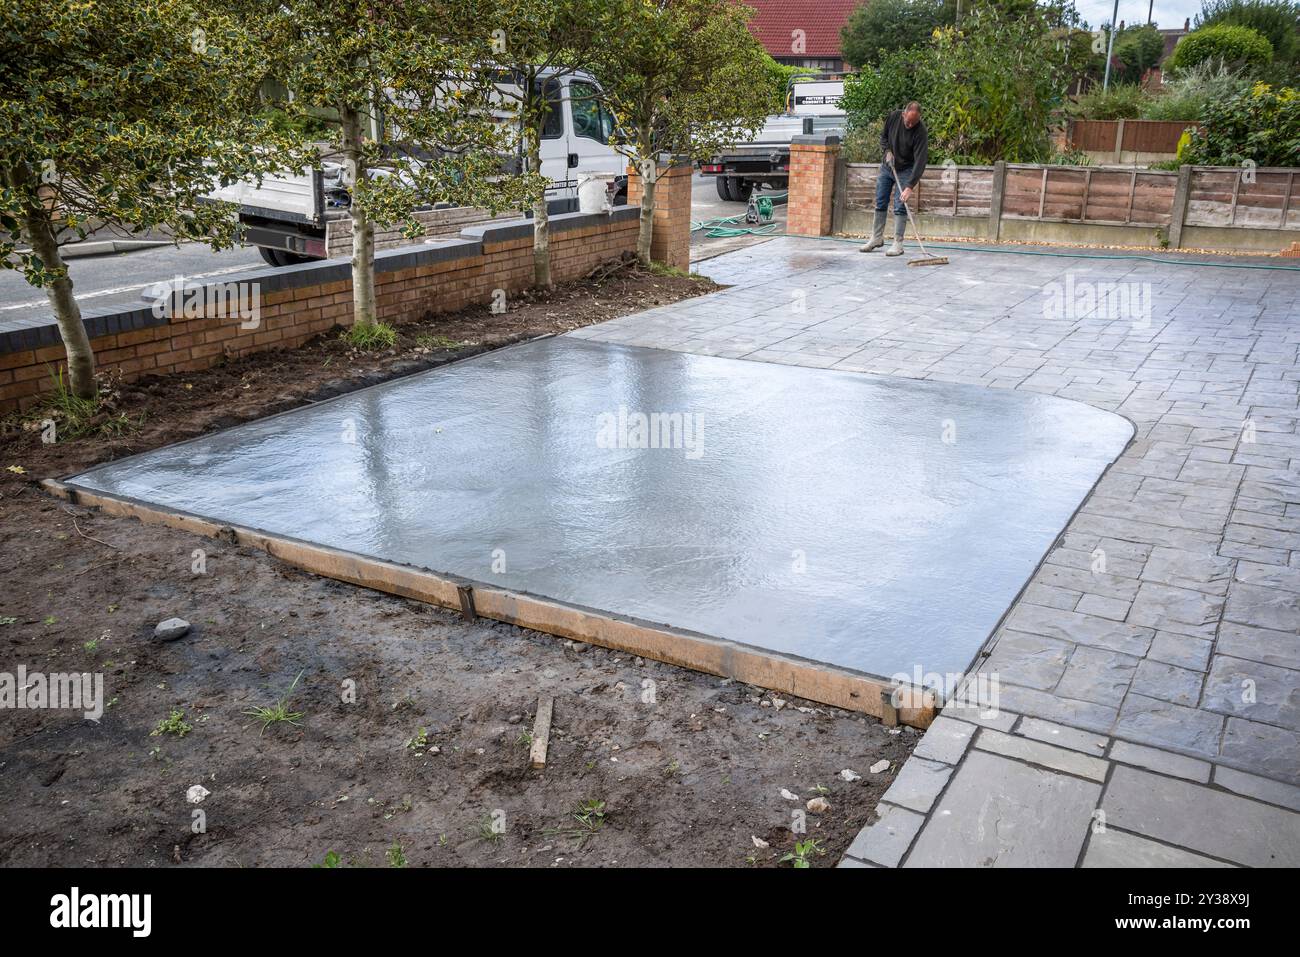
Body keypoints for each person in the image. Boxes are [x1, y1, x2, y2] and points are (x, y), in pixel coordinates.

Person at [861, 101, 928, 256]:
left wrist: (910, 186)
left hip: (906, 169)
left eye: (914, 122)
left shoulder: (920, 132)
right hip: (887, 166)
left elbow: (921, 161)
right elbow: (883, 137)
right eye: (908, 121)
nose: (910, 125)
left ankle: (898, 243)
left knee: (900, 205)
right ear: (903, 114)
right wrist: (887, 151)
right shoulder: (893, 117)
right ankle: (876, 238)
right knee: (880, 200)